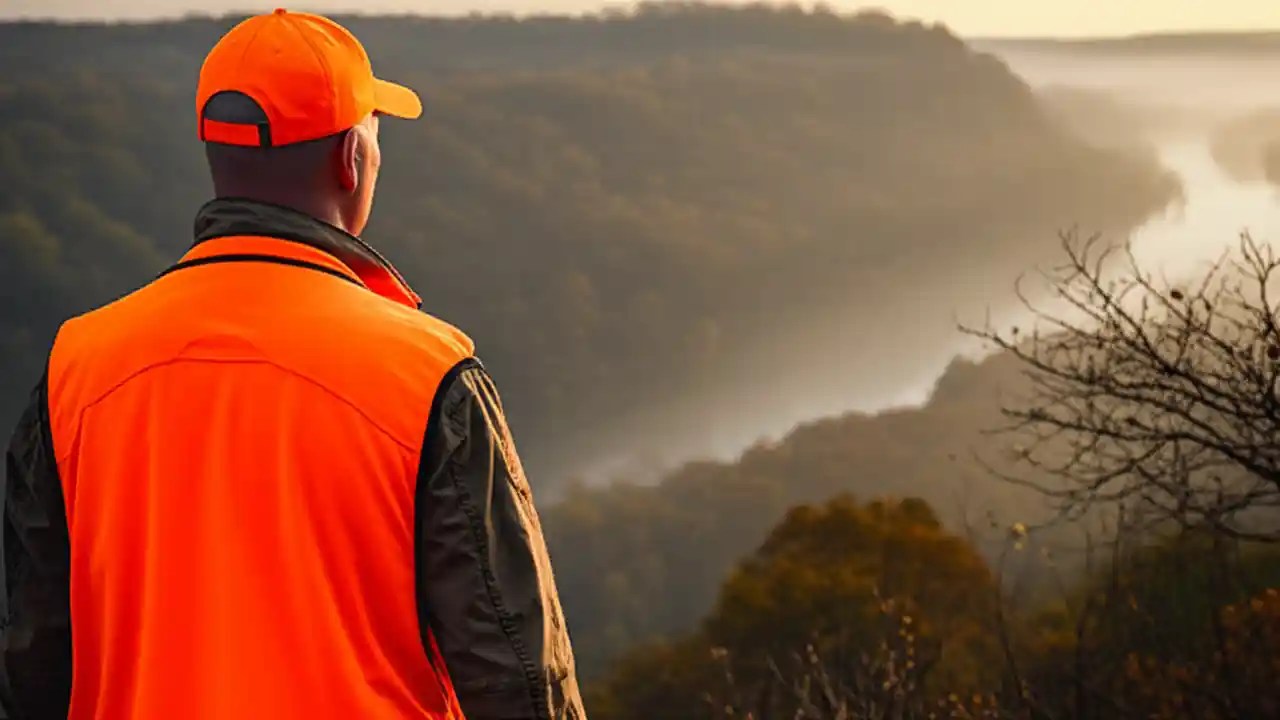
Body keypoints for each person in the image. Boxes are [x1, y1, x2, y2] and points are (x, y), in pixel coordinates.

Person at [0, 9, 584, 720]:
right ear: (350, 159)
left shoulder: (75, 371)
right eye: (373, 134)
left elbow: (33, 668)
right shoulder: (427, 376)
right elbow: (517, 678)